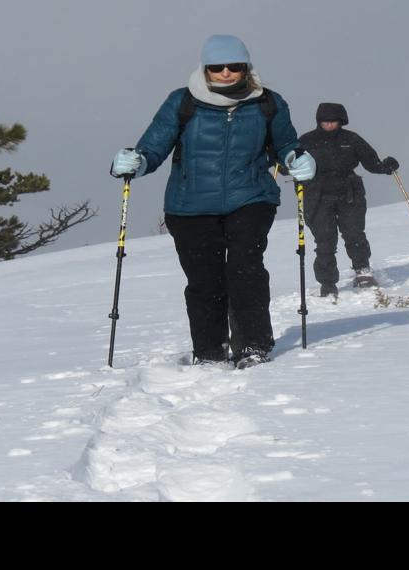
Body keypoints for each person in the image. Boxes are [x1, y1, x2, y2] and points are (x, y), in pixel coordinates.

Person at [111, 35, 316, 369]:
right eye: (216, 67)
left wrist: (298, 159)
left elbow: (286, 145)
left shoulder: (268, 103)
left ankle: (253, 345)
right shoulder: (182, 101)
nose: (225, 73)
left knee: (245, 271)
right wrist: (136, 161)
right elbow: (154, 146)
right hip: (190, 206)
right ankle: (210, 351)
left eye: (234, 66)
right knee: (205, 280)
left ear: (246, 67)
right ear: (205, 68)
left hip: (250, 197)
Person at [296, 103, 399, 297]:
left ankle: (363, 271)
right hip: (317, 196)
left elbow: (371, 162)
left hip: (349, 193)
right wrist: (284, 164)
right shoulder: (307, 140)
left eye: (333, 121)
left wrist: (385, 166)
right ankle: (327, 283)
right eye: (325, 121)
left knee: (354, 233)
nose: (328, 125)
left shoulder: (351, 139)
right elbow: (292, 163)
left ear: (341, 121)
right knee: (325, 240)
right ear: (318, 121)